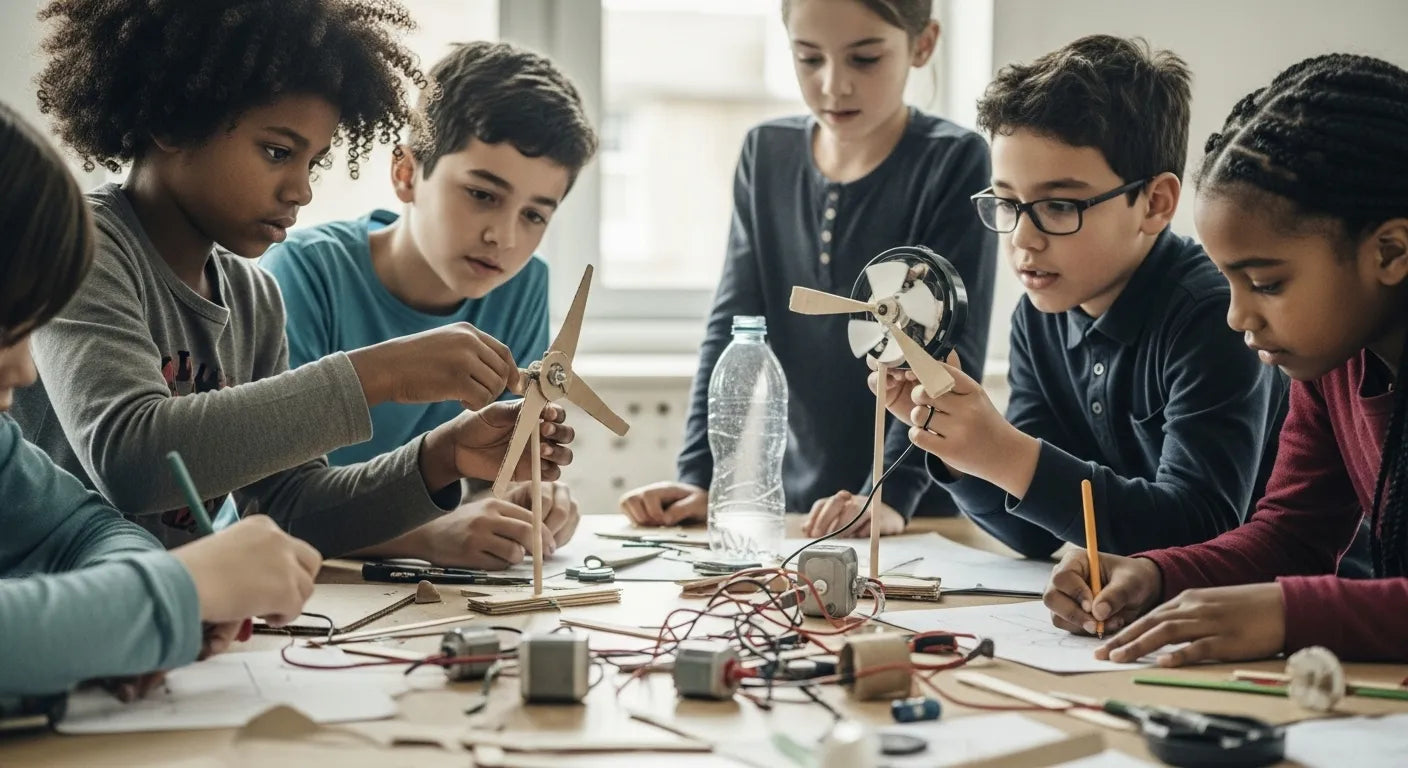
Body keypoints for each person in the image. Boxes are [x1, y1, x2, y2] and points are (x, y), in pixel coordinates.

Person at [13, 0, 573, 562]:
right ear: (174, 120)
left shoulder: (253, 298)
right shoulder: (83, 248)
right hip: (55, 615)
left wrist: (441, 456)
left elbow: (287, 508)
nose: (301, 190)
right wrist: (380, 373)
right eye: (277, 152)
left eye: (314, 163)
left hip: (171, 616)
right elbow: (132, 459)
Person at [1044, 53, 1408, 664]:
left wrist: (1290, 613)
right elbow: (1292, 536)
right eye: (1227, 282)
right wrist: (1157, 574)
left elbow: (1294, 586)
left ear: (1391, 251)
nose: (1237, 316)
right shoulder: (1333, 357)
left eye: (1265, 283)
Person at [871, 35, 1287, 559]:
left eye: (1060, 206)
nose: (1023, 238)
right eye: (1006, 202)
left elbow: (1200, 526)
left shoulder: (1210, 316)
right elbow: (1036, 532)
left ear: (1155, 204)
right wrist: (962, 451)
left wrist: (1006, 452)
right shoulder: (1039, 316)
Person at [620, 0, 997, 539]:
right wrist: (701, 477)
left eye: (864, 59)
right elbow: (733, 325)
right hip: (800, 506)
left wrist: (885, 496)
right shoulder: (765, 152)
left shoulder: (954, 159)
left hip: (916, 509)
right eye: (808, 58)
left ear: (923, 45)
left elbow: (952, 351)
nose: (833, 86)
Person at [0, 101, 320, 698]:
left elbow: (81, 529)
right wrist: (176, 592)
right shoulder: (106, 249)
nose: (23, 367)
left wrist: (121, 613)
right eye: (7, 327)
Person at [261, 41, 595, 568]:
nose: (502, 238)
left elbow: (493, 478)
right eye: (483, 194)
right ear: (406, 174)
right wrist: (427, 535)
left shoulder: (524, 285)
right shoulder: (301, 275)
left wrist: (526, 501)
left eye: (535, 215)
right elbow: (273, 506)